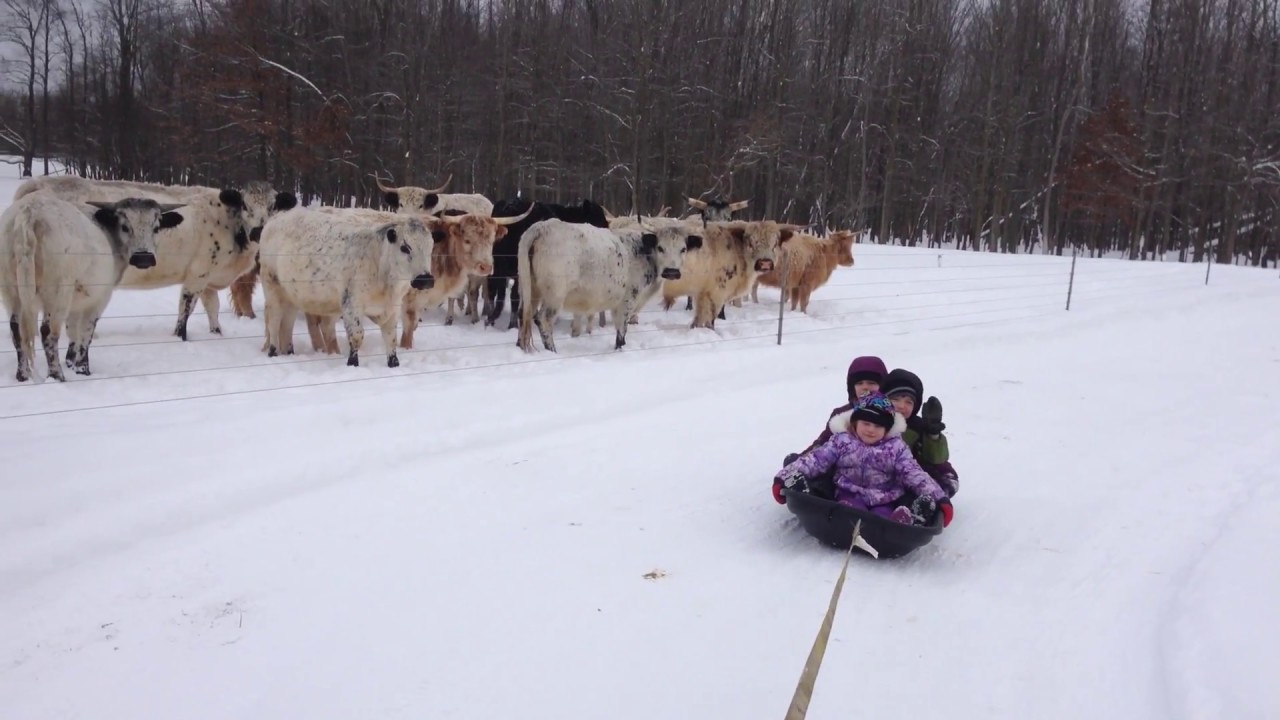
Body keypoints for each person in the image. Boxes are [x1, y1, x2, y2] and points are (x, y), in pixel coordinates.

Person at [773, 392, 953, 527]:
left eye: (878, 426)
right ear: (855, 423)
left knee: (882, 520)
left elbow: (914, 474)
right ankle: (815, 504)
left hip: (884, 498)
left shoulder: (896, 448)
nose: (871, 430)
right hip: (849, 493)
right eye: (866, 424)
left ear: (887, 429)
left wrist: (940, 499)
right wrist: (783, 477)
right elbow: (815, 460)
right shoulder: (841, 441)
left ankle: (903, 522)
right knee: (849, 512)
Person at [881, 368, 959, 497]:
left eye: (908, 402)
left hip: (912, 475)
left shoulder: (917, 427)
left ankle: (935, 496)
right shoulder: (872, 422)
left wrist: (933, 434)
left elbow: (937, 459)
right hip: (877, 475)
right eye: (896, 399)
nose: (902, 406)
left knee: (943, 470)